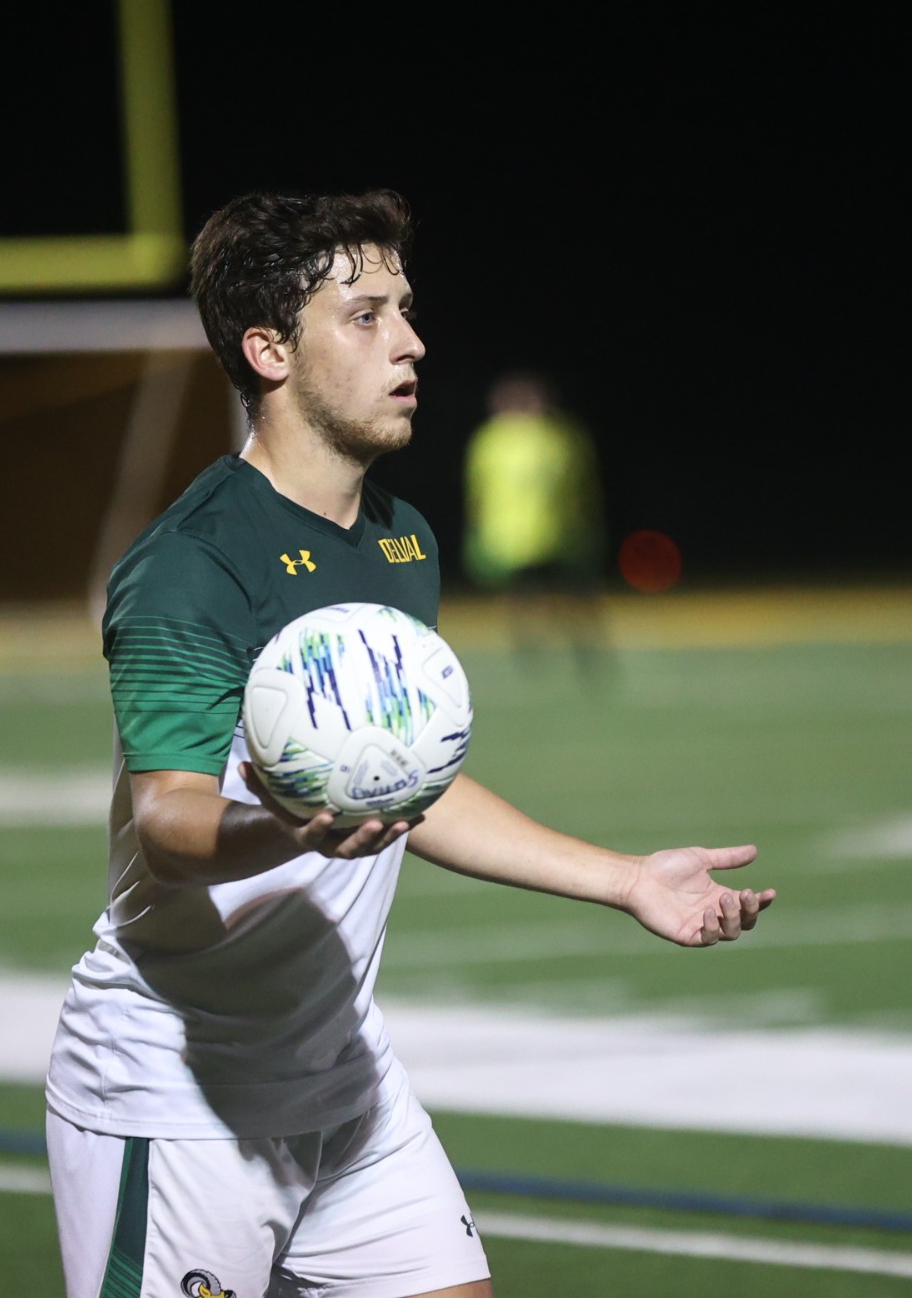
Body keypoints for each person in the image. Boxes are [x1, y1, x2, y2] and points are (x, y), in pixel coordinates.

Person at [46, 190, 771, 1298]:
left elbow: (410, 788)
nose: (412, 342)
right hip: (177, 1092)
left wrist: (625, 879)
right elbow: (170, 821)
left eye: (407, 310)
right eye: (368, 315)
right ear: (267, 349)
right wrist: (290, 826)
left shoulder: (399, 543)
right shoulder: (191, 565)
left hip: (344, 1078)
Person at [463, 373, 611, 677]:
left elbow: (583, 488)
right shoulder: (497, 440)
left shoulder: (558, 437)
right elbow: (478, 491)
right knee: (534, 602)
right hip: (521, 541)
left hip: (549, 538)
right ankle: (540, 657)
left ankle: (575, 654)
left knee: (565, 600)